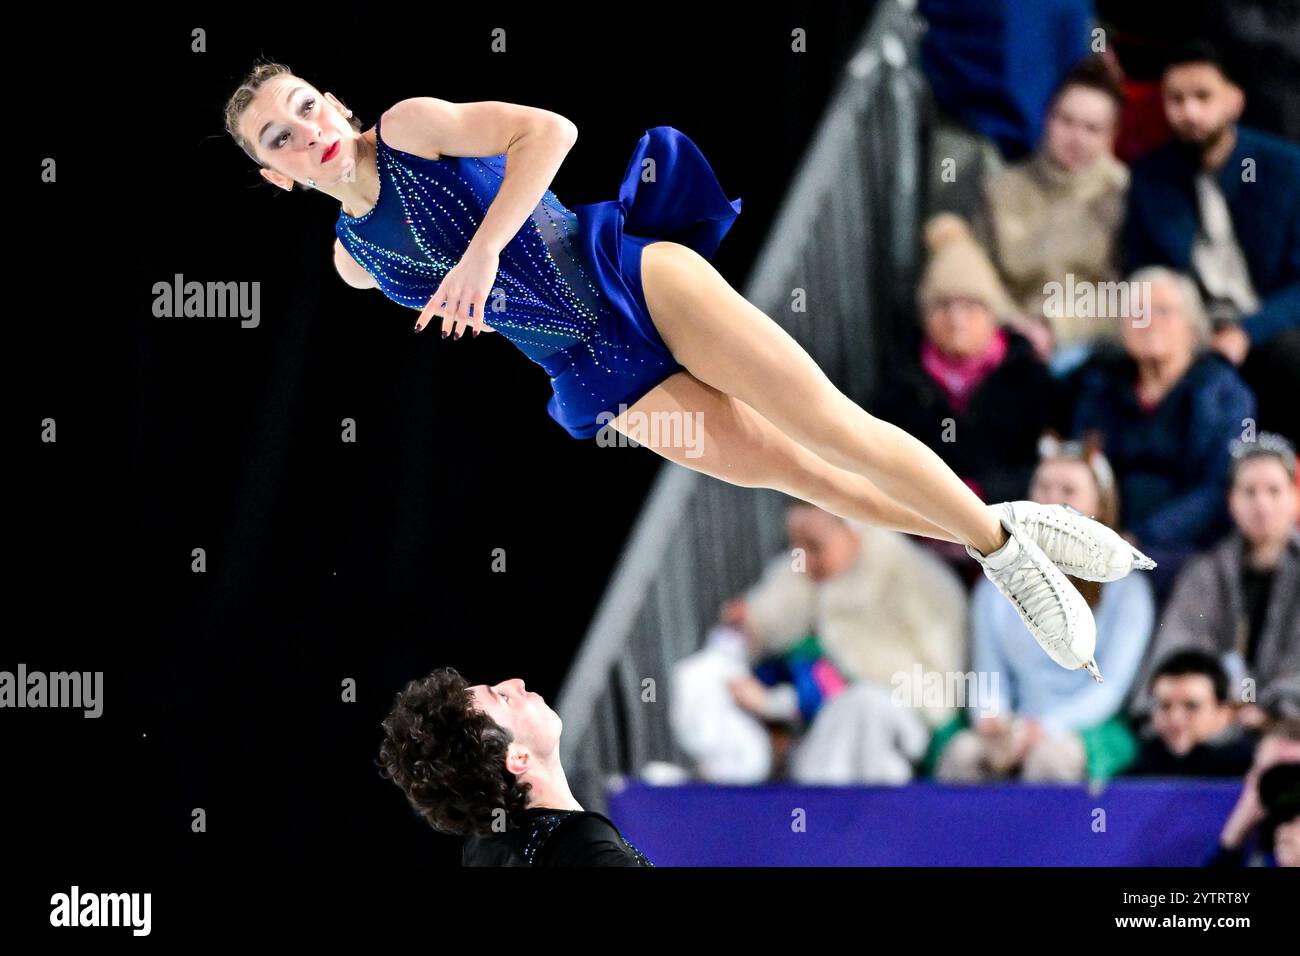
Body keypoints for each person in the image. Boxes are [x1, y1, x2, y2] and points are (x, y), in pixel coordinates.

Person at [225, 62, 1159, 675]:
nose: (306, 131)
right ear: (274, 177)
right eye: (279, 137)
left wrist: (480, 257)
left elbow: (548, 132)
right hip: (594, 371)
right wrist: (483, 288)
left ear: (331, 100)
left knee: (831, 426)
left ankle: (1005, 559)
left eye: (304, 105)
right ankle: (1012, 526)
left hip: (628, 275)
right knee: (806, 477)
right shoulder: (353, 262)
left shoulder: (412, 125)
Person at [936, 435, 1154, 784]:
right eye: (1044, 488)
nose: (1052, 502)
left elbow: (1110, 688)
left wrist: (1047, 727)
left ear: (1101, 504)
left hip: (1091, 724)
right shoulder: (993, 585)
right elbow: (988, 671)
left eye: (1068, 491)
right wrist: (991, 719)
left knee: (1049, 761)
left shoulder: (1128, 590)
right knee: (964, 756)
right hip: (1018, 720)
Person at [1124, 40, 1300, 443]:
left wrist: (1249, 331)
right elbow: (1143, 269)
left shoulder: (1284, 168)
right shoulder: (1151, 176)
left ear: (1235, 100)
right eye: (1176, 99)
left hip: (1266, 325)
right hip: (1188, 325)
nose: (1189, 113)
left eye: (1203, 97)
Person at [1068, 266, 1254, 599]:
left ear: (1192, 328)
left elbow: (1218, 489)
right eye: (1137, 311)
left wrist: (1140, 537)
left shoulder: (1225, 394)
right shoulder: (1101, 389)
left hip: (1187, 549)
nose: (1149, 321)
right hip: (1106, 541)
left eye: (1164, 311)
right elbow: (1083, 467)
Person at [376, 667, 653, 866]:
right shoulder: (576, 841)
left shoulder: (482, 849)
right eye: (503, 698)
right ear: (518, 758)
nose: (517, 683)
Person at [972, 54, 1129, 369]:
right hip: (1006, 336)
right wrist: (1016, 326)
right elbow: (978, 274)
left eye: (1092, 128)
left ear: (1112, 135)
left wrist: (1054, 326)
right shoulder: (1002, 188)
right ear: (1047, 119)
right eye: (1066, 121)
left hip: (1092, 343)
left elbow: (1131, 292)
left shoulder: (1126, 193)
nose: (1076, 137)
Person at [1131, 432, 1300, 723]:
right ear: (1231, 500)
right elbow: (1177, 649)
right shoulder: (1204, 573)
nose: (1261, 504)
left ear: (1295, 499)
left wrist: (1270, 712)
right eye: (1249, 491)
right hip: (1205, 726)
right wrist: (1208, 704)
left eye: (1274, 491)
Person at [1125, 650, 1259, 777]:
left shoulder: (1252, 773)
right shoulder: (1133, 772)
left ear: (1224, 713)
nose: (1175, 718)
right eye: (1164, 706)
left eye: (1191, 706)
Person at [1205, 719, 1300, 867]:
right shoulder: (1253, 844)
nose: (1286, 788)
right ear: (1252, 778)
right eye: (1274, 775)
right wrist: (1233, 837)